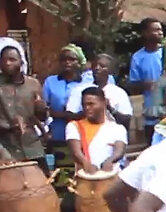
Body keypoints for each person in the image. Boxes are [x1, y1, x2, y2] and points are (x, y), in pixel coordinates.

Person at [61, 87, 128, 212]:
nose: (87, 108)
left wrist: (111, 160)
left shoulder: (117, 128)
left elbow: (120, 149)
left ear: (104, 103)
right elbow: (76, 152)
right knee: (67, 208)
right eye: (84, 104)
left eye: (91, 104)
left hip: (112, 179)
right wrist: (85, 163)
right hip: (84, 180)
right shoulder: (74, 126)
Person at [42, 45, 86, 180]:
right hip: (59, 133)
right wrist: (65, 115)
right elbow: (44, 108)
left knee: (82, 170)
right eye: (64, 59)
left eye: (72, 59)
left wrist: (77, 116)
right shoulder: (50, 82)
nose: (67, 62)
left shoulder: (86, 82)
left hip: (82, 133)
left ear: (79, 62)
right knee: (63, 173)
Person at [0, 45, 47, 164]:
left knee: (41, 175)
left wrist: (41, 110)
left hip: (31, 144)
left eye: (12, 59)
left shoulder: (33, 84)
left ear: (21, 62)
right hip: (5, 144)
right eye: (3, 60)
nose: (7, 63)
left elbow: (42, 117)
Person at [67, 54, 132, 127]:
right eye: (94, 66)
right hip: (86, 131)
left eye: (102, 66)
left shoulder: (119, 93)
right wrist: (91, 108)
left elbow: (126, 120)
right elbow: (70, 116)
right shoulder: (79, 90)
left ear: (110, 70)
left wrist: (109, 108)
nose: (97, 68)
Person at [129, 17, 166, 143]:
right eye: (156, 30)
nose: (160, 33)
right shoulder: (137, 57)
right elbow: (133, 85)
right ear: (145, 33)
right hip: (151, 113)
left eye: (161, 30)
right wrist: (146, 85)